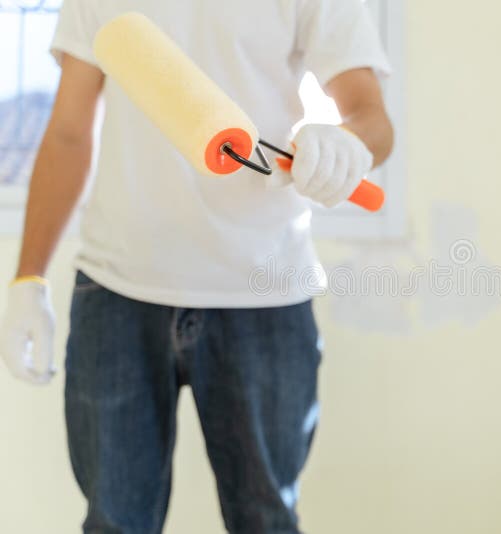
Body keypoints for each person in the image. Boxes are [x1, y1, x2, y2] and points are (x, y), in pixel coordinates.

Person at [0, 0, 394, 532]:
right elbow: (70, 133)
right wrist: (29, 277)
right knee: (114, 522)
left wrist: (344, 145)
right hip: (116, 290)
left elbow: (372, 118)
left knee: (266, 520)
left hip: (263, 295)